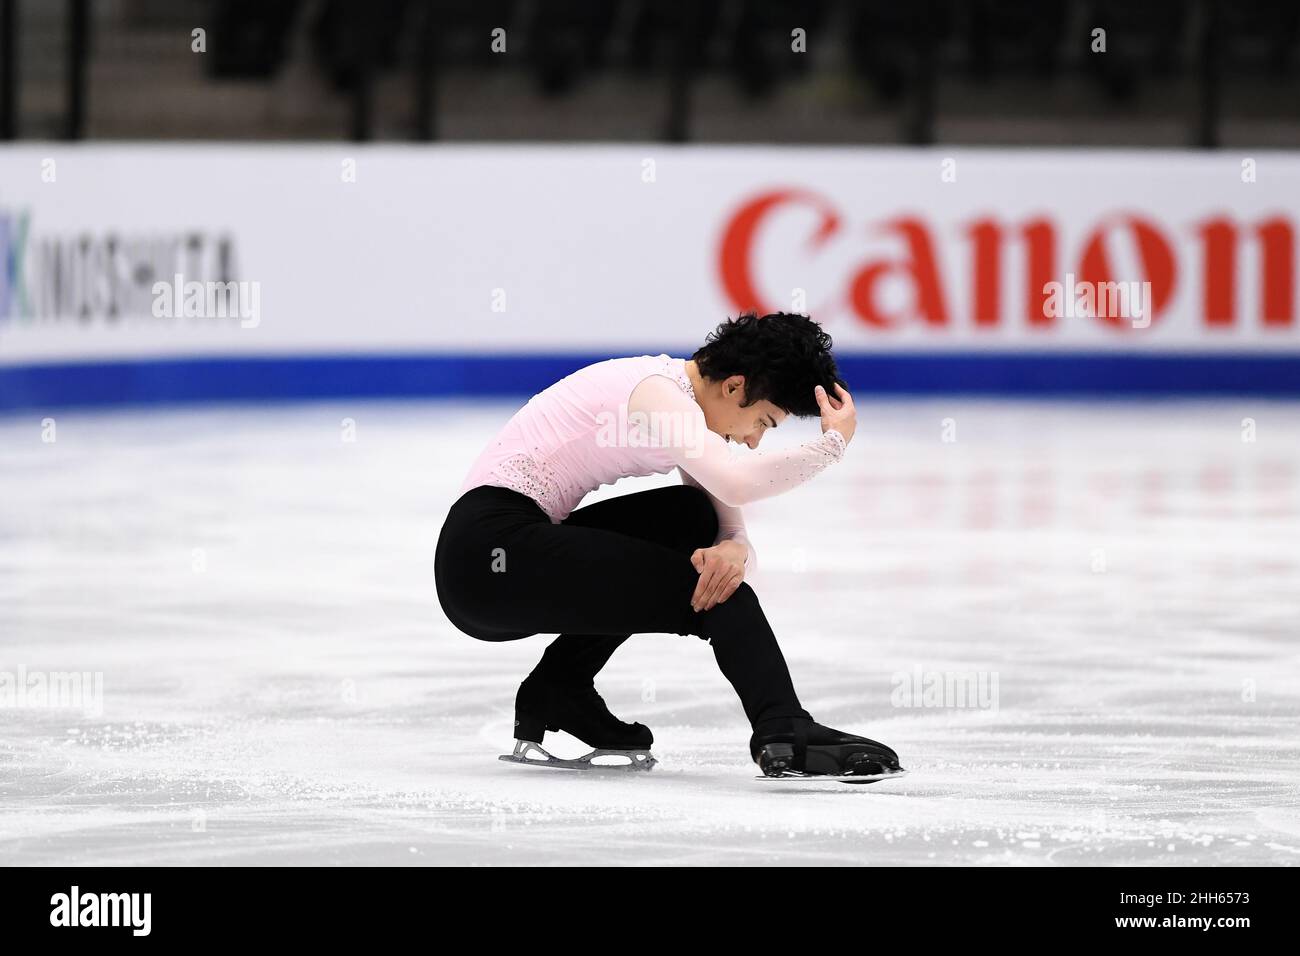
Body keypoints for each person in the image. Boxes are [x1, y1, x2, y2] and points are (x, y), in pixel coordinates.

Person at [434, 312, 903, 777]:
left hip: (500, 557)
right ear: (734, 387)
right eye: (763, 421)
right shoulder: (657, 393)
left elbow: (724, 524)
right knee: (719, 596)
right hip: (486, 558)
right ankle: (783, 729)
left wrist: (733, 545)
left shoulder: (679, 403)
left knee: (690, 516)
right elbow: (736, 482)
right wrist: (832, 446)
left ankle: (559, 689)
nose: (755, 441)